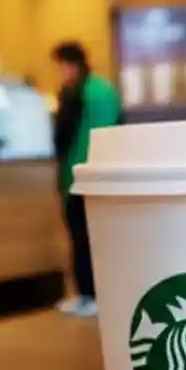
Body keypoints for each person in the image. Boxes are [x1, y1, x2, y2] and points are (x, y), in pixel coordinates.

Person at [52, 41, 121, 317]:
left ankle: (87, 294)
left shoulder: (76, 92)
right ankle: (102, 293)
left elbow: (63, 137)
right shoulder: (105, 89)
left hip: (78, 174)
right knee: (100, 238)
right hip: (105, 172)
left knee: (81, 239)